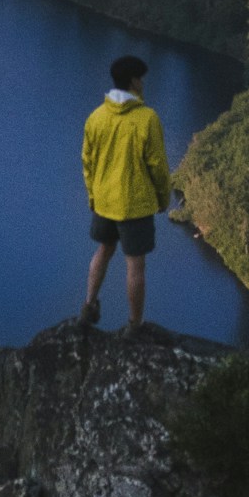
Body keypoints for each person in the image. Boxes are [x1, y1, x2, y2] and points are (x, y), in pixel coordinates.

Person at [80, 54, 172, 330]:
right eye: (140, 78)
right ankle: (134, 324)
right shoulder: (147, 119)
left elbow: (88, 162)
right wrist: (163, 198)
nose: (143, 83)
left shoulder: (96, 117)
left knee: (103, 250)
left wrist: (93, 197)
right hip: (135, 204)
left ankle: (88, 306)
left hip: (105, 201)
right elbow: (158, 165)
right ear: (134, 81)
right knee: (135, 266)